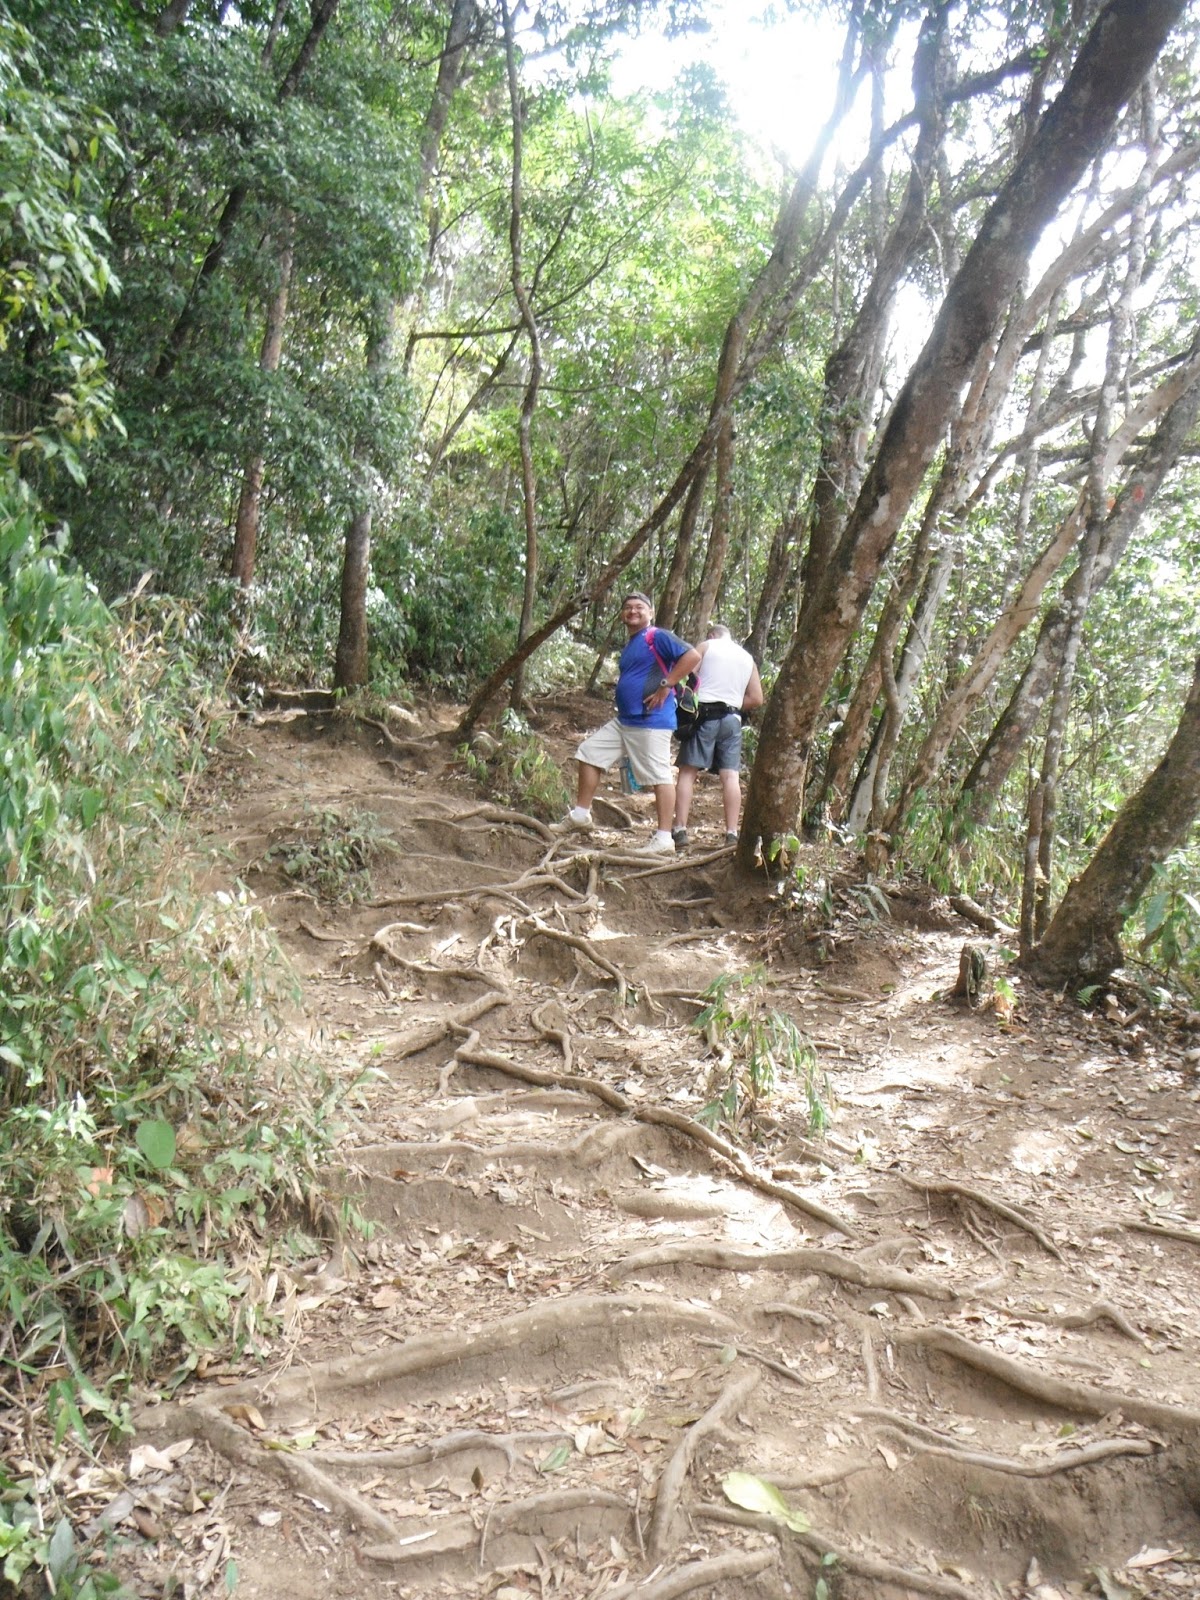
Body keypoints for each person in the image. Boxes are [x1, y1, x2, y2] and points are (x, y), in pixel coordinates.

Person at [558, 591, 702, 854]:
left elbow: (692, 656)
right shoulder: (633, 643)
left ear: (650, 613)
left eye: (639, 607)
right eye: (627, 608)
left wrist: (666, 685)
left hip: (651, 721)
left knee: (659, 775)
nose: (632, 611)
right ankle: (581, 815)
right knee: (589, 753)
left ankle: (663, 839)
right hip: (625, 721)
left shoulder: (656, 636)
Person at [672, 624, 764, 849]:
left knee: (688, 771)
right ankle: (732, 833)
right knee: (730, 776)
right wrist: (731, 703)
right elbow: (757, 698)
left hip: (704, 716)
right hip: (732, 720)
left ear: (712, 635)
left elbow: (688, 676)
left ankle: (680, 828)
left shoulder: (707, 646)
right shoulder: (747, 658)